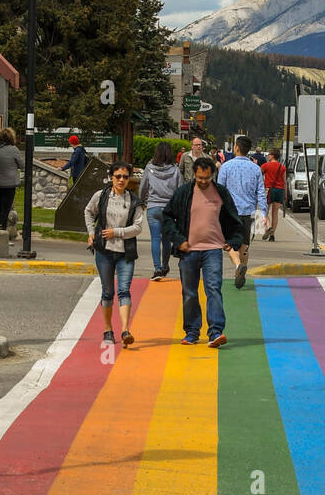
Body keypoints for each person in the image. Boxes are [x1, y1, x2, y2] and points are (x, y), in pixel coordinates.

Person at [161, 156, 242, 348]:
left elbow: (233, 218)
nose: (203, 181)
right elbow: (166, 217)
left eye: (206, 178)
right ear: (194, 175)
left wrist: (232, 241)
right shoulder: (183, 193)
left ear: (212, 175)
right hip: (189, 251)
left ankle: (215, 332)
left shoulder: (221, 193)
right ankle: (192, 331)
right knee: (189, 292)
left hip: (213, 250)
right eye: (199, 178)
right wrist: (179, 241)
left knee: (213, 289)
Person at [85, 159, 148, 347]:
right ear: (111, 177)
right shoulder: (101, 196)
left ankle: (125, 330)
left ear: (129, 180)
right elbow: (88, 212)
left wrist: (117, 232)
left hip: (125, 253)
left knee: (124, 290)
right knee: (107, 292)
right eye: (118, 176)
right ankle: (107, 329)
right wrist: (90, 233)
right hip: (104, 251)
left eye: (125, 177)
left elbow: (137, 227)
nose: (121, 180)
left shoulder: (134, 201)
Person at [217, 135, 267, 288]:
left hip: (230, 212)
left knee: (228, 243)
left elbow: (220, 191)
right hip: (249, 212)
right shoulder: (256, 169)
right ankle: (239, 273)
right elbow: (261, 193)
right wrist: (263, 213)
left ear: (236, 148)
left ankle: (238, 266)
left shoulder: (226, 167)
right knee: (245, 245)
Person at [138, 141, 181, 279]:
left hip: (153, 207)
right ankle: (164, 266)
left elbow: (143, 188)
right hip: (168, 209)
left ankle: (156, 269)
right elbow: (180, 190)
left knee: (155, 239)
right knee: (166, 240)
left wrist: (141, 201)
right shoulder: (175, 170)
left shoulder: (149, 168)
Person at [0, 127, 24, 229]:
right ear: (11, 138)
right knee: (5, 209)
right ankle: (1, 232)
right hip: (9, 184)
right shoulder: (14, 150)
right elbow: (22, 165)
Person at [260, 148, 286, 240]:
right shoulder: (282, 167)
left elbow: (258, 175)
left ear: (273, 156)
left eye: (269, 154)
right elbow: (284, 182)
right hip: (279, 190)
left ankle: (269, 227)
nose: (268, 156)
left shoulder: (266, 166)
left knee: (265, 212)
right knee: (275, 213)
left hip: (269, 190)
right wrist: (285, 194)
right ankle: (272, 235)